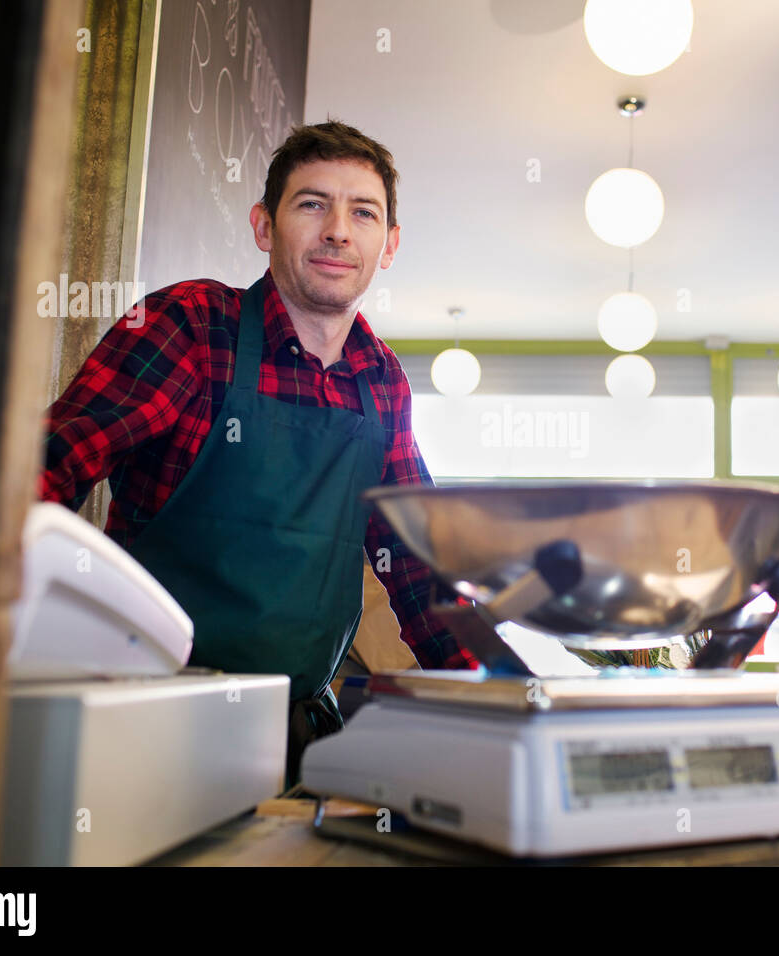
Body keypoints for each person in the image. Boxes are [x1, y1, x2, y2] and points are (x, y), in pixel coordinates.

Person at [38, 121, 478, 785]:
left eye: (363, 212)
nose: (337, 230)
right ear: (264, 227)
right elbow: (52, 463)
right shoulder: (190, 324)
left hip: (292, 735)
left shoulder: (381, 381)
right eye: (312, 204)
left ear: (387, 246)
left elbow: (416, 564)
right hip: (143, 721)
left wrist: (495, 691)